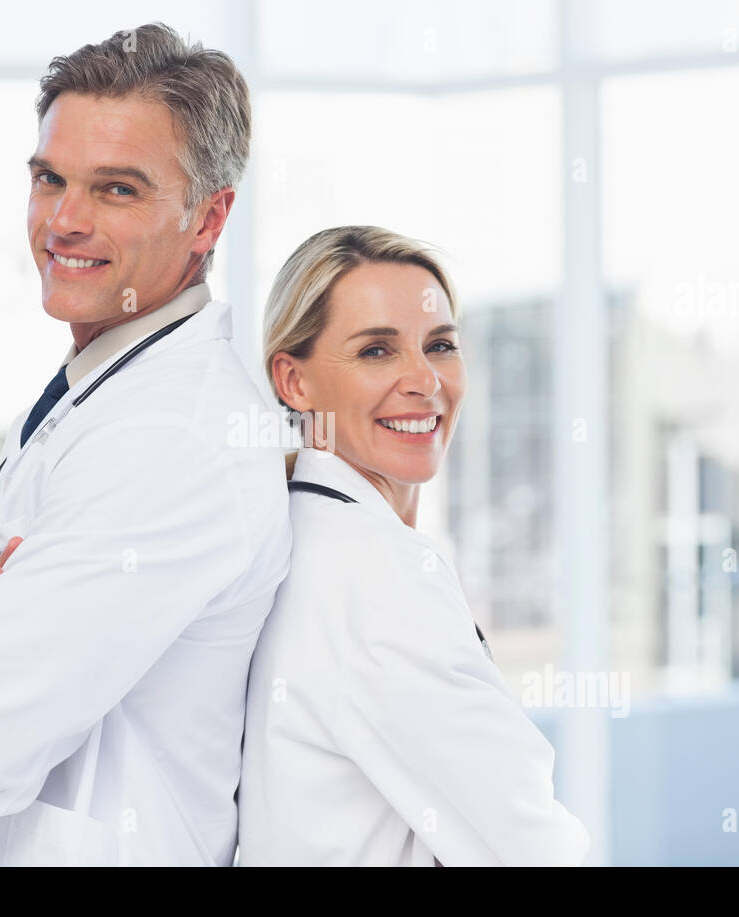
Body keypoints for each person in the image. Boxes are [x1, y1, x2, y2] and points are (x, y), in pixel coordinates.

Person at [0, 22, 290, 866]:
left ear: (209, 217)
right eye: (50, 178)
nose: (64, 220)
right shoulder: (104, 391)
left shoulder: (172, 444)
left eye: (116, 189)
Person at [237, 225, 590, 866]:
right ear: (293, 382)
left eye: (440, 345)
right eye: (377, 351)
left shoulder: (292, 541)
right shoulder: (377, 578)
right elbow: (531, 847)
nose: (424, 380)